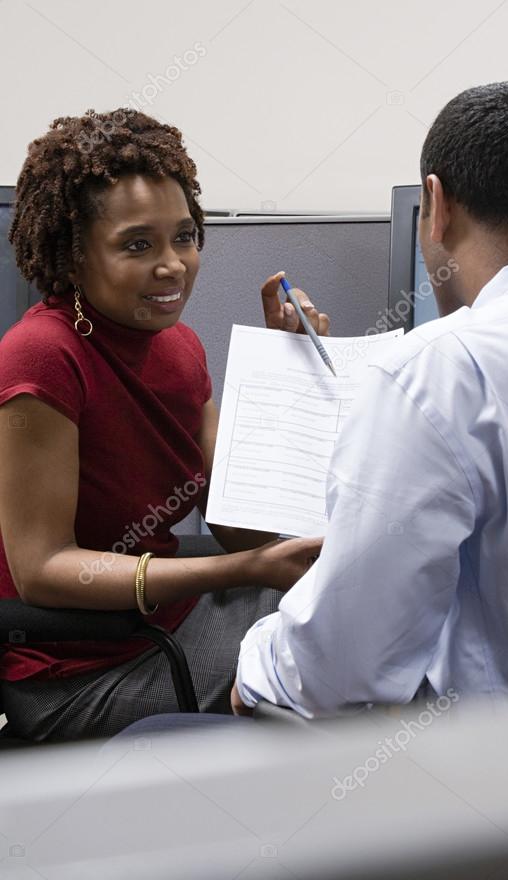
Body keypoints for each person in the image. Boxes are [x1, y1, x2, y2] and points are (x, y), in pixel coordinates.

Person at [232, 79, 508, 719]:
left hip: (506, 790)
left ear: (435, 206)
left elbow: (336, 678)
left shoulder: (439, 368)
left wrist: (252, 671)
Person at [0, 108, 326, 740]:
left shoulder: (177, 347)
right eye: (137, 245)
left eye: (184, 236)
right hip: (82, 668)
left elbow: (235, 524)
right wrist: (239, 573)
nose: (174, 265)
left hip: (166, 623)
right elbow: (42, 568)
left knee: (360, 618)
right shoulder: (41, 355)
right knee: (340, 658)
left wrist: (287, 380)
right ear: (73, 256)